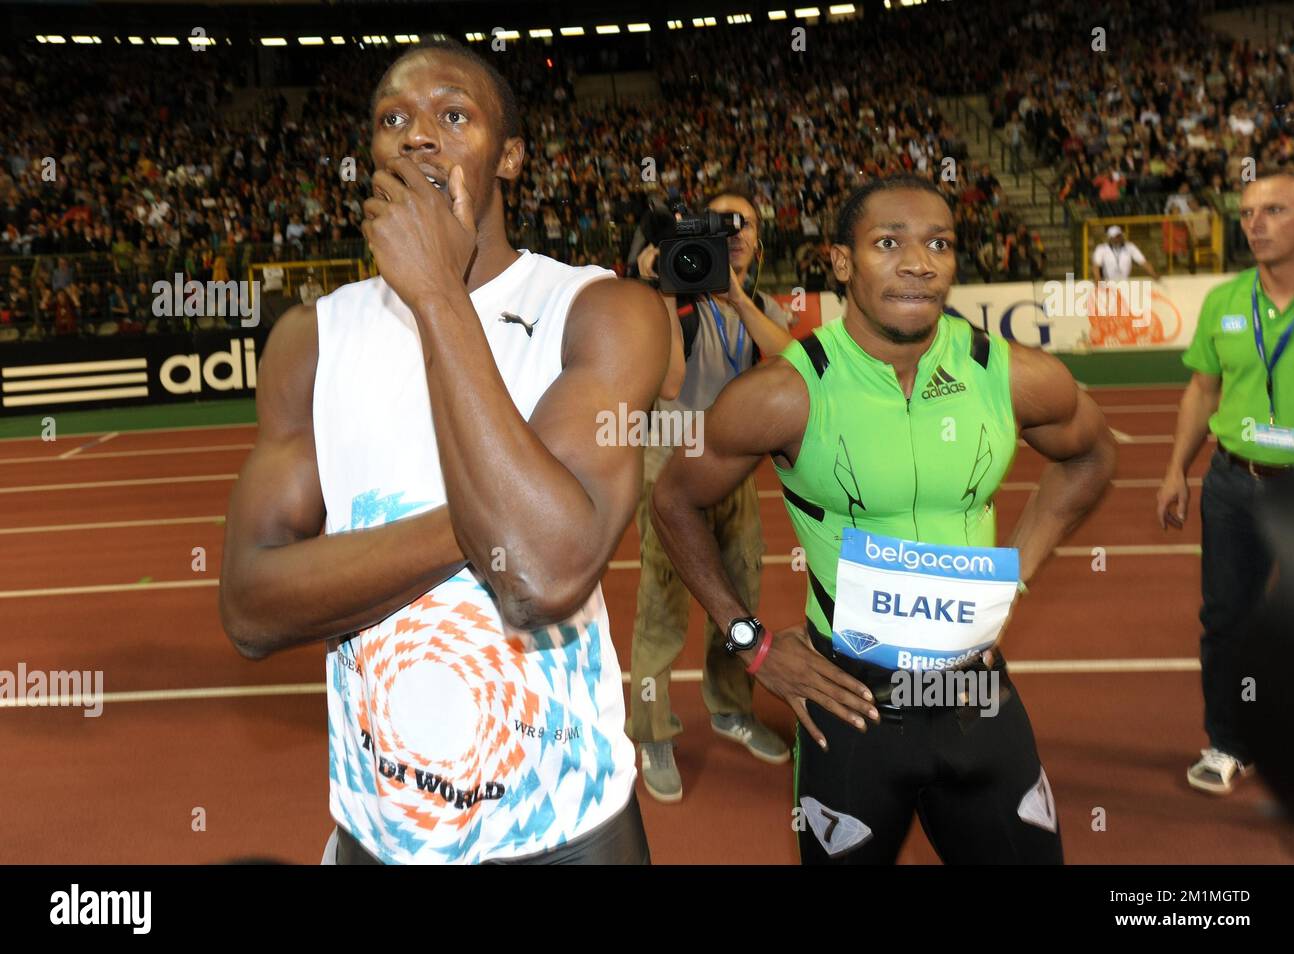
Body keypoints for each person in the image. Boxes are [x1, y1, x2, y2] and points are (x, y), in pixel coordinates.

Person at [218, 40, 670, 865]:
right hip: (381, 834)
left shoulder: (602, 312)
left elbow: (539, 579)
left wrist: (435, 291)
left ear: (512, 158)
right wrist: (493, 522)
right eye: (394, 119)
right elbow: (250, 607)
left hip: (570, 829)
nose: (418, 135)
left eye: (453, 116)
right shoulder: (309, 341)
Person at [651, 175, 1116, 864]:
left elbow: (1094, 454)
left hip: (977, 693)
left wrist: (1014, 574)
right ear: (842, 263)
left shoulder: (1009, 373)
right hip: (848, 703)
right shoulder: (784, 393)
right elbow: (673, 500)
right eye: (888, 243)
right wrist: (750, 640)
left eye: (939, 243)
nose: (918, 262)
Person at [627, 183, 795, 803]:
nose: (739, 234)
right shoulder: (667, 297)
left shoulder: (758, 307)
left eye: (748, 224)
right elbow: (669, 384)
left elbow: (796, 366)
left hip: (731, 466)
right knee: (662, 606)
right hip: (669, 466)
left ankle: (730, 708)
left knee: (740, 594)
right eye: (725, 225)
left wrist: (736, 298)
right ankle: (651, 733)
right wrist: (667, 294)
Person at [1156, 166, 1294, 795]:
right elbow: (1201, 389)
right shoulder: (1224, 301)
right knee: (1226, 620)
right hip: (1233, 483)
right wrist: (1175, 470)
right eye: (1246, 213)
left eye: (1273, 210)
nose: (1255, 224)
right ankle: (1227, 742)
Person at [1093, 225, 1160, 284]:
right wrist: (1097, 278)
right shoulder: (1101, 248)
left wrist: (1153, 274)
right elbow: (1096, 265)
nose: (1118, 239)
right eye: (1116, 237)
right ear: (1110, 238)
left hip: (1124, 282)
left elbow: (1143, 262)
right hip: (1108, 282)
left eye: (1119, 236)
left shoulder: (1130, 247)